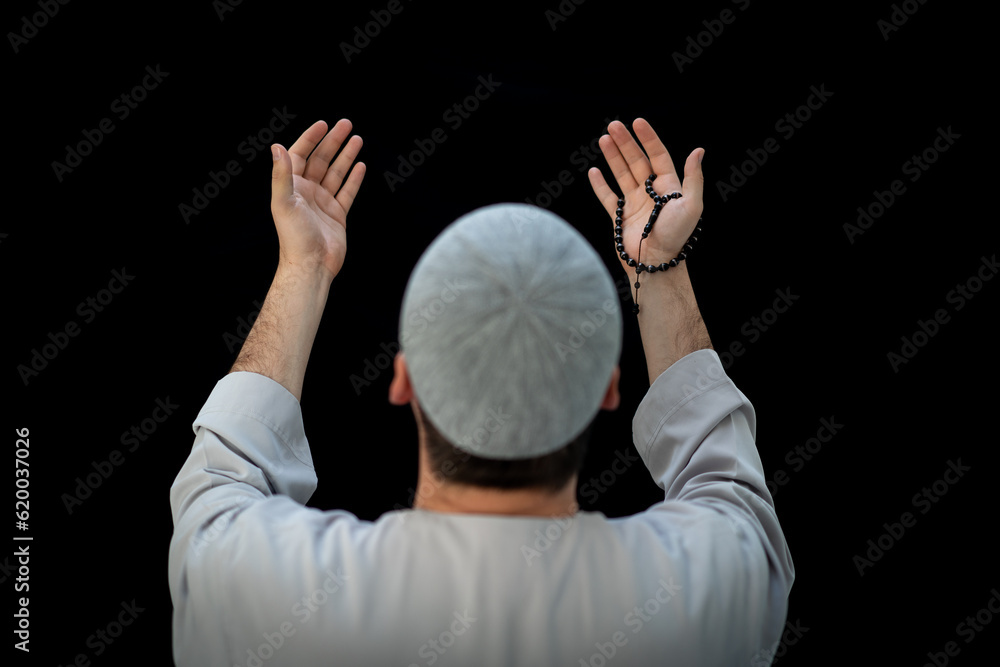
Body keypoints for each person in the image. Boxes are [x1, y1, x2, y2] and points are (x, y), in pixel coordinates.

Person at [168, 117, 794, 666]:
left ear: (404, 381)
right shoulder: (705, 590)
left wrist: (303, 267)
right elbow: (727, 481)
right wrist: (660, 264)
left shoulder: (261, 589)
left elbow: (226, 470)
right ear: (609, 390)